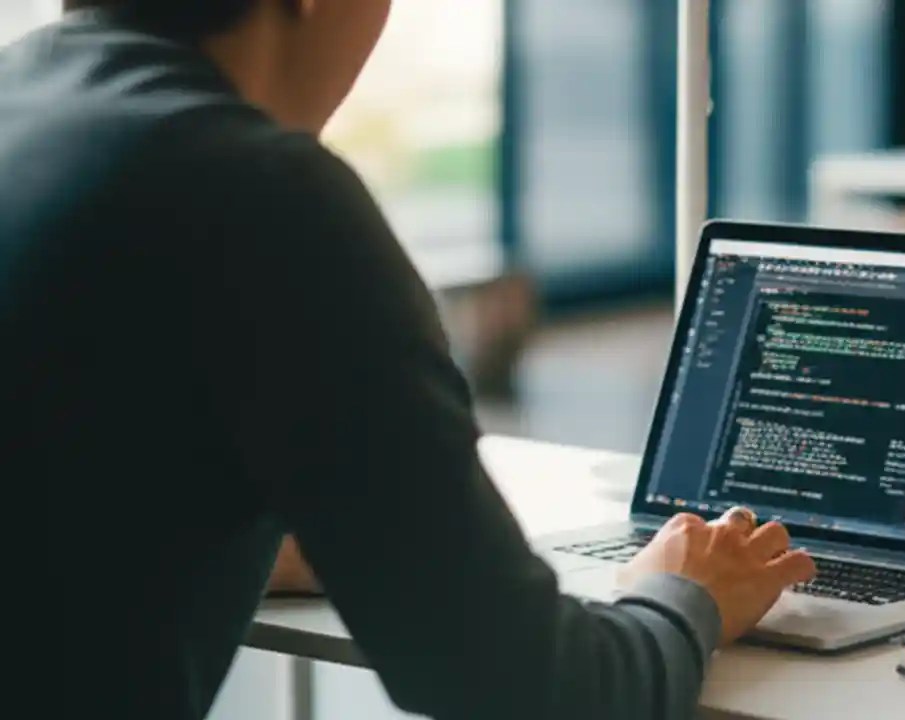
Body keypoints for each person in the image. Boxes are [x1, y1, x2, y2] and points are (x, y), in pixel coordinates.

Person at [4, 2, 816, 718]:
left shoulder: (24, 104)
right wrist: (686, 596)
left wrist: (271, 544)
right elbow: (528, 690)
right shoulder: (264, 196)